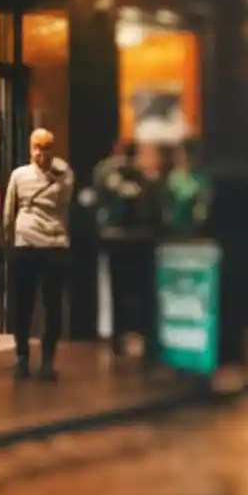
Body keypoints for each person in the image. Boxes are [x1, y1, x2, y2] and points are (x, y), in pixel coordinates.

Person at [3, 128, 75, 380]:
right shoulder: (19, 175)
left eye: (46, 147)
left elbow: (66, 199)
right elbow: (9, 211)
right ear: (30, 148)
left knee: (51, 306)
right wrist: (11, 238)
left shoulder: (63, 174)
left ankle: (45, 360)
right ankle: (23, 357)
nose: (41, 153)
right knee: (25, 304)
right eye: (37, 147)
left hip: (51, 244)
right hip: (29, 244)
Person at [90, 139, 163, 363]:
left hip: (113, 237)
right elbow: (153, 205)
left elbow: (98, 199)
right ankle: (139, 335)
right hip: (139, 238)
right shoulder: (144, 176)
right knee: (139, 289)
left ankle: (117, 337)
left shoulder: (104, 172)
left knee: (116, 289)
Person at [164, 138, 212, 238]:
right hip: (172, 229)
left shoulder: (202, 178)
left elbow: (205, 200)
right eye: (176, 154)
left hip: (196, 228)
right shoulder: (172, 177)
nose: (177, 157)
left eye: (181, 153)